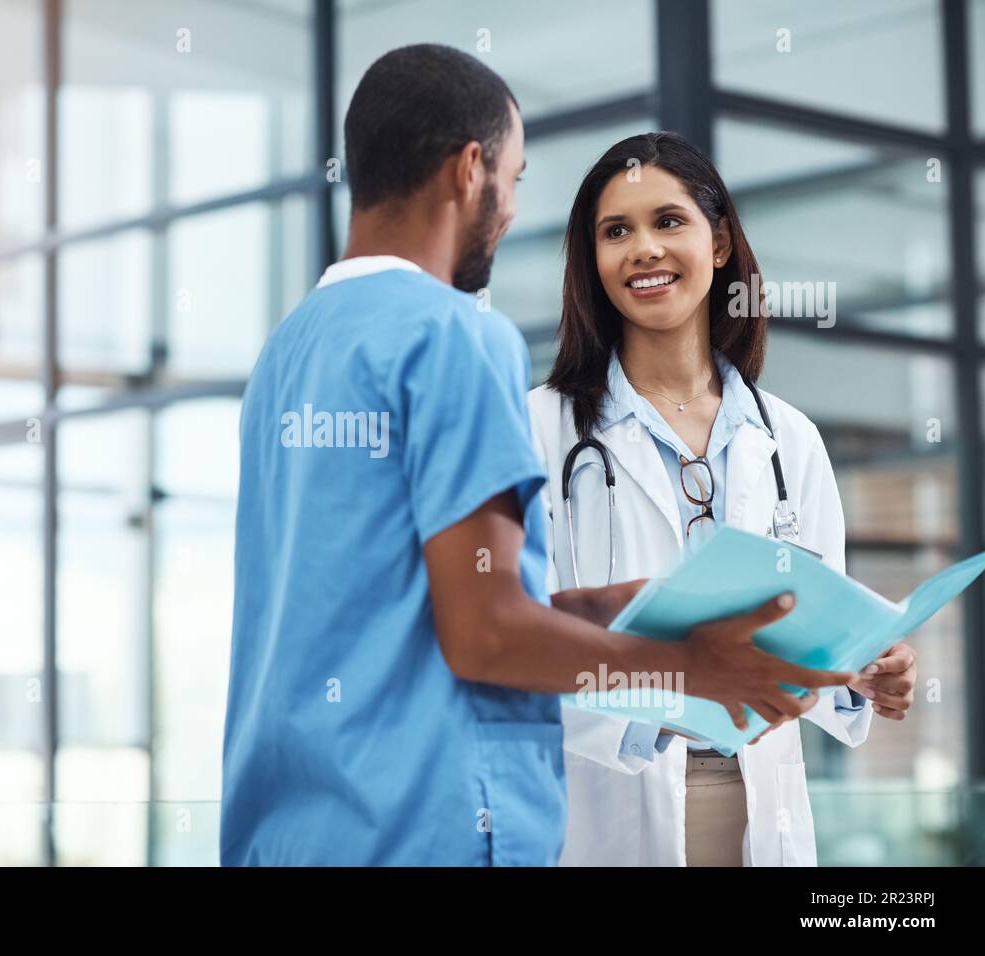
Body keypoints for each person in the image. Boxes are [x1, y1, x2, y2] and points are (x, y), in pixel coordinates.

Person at [220, 45, 856, 867]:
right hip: (422, 824)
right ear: (469, 170)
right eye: (515, 180)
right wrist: (687, 666)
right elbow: (485, 632)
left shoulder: (288, 352)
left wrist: (632, 604)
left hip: (295, 827)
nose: (513, 210)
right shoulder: (453, 334)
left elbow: (418, 603)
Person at [527, 131, 917, 866]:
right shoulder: (540, 431)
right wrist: (659, 703)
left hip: (759, 809)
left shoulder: (790, 440)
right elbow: (521, 646)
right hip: (613, 806)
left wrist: (860, 670)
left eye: (668, 221)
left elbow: (814, 632)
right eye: (617, 231)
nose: (643, 249)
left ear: (720, 244)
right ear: (594, 262)